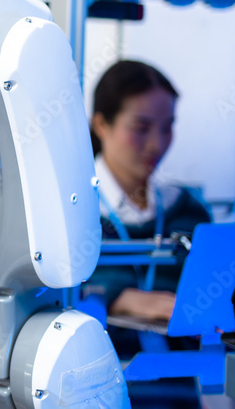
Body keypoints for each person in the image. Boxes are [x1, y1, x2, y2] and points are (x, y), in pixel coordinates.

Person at [84, 60, 211, 331]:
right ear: (101, 124)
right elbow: (41, 293)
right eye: (141, 128)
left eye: (167, 127)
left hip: (181, 367)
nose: (157, 143)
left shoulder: (186, 209)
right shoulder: (69, 208)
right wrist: (117, 296)